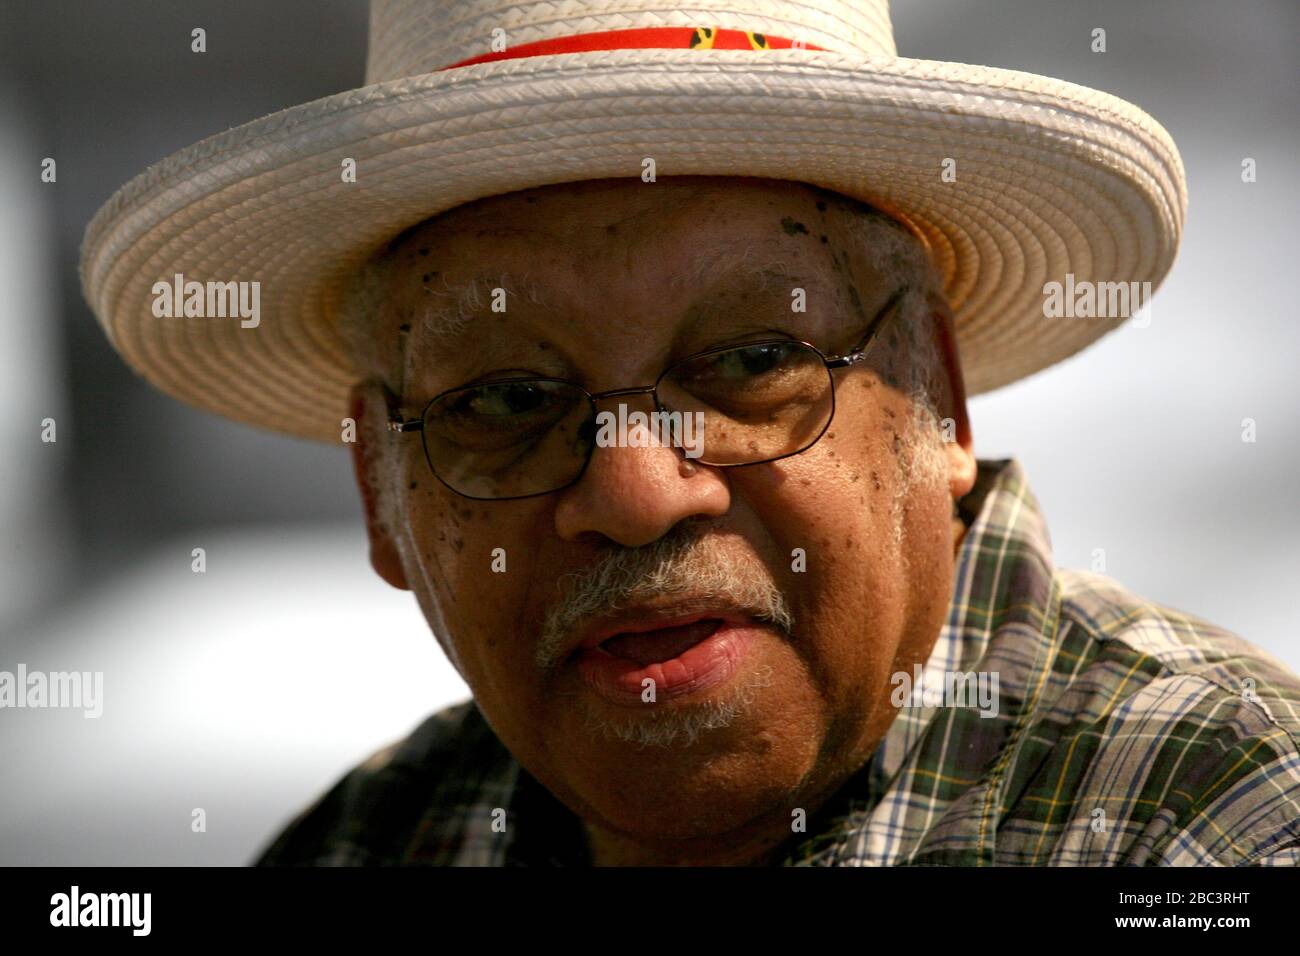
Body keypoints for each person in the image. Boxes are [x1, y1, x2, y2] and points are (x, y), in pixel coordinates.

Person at [80, 0, 1300, 866]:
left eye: (752, 360)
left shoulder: (1210, 816)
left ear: (936, 397)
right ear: (381, 491)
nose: (633, 491)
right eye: (503, 398)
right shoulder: (374, 838)